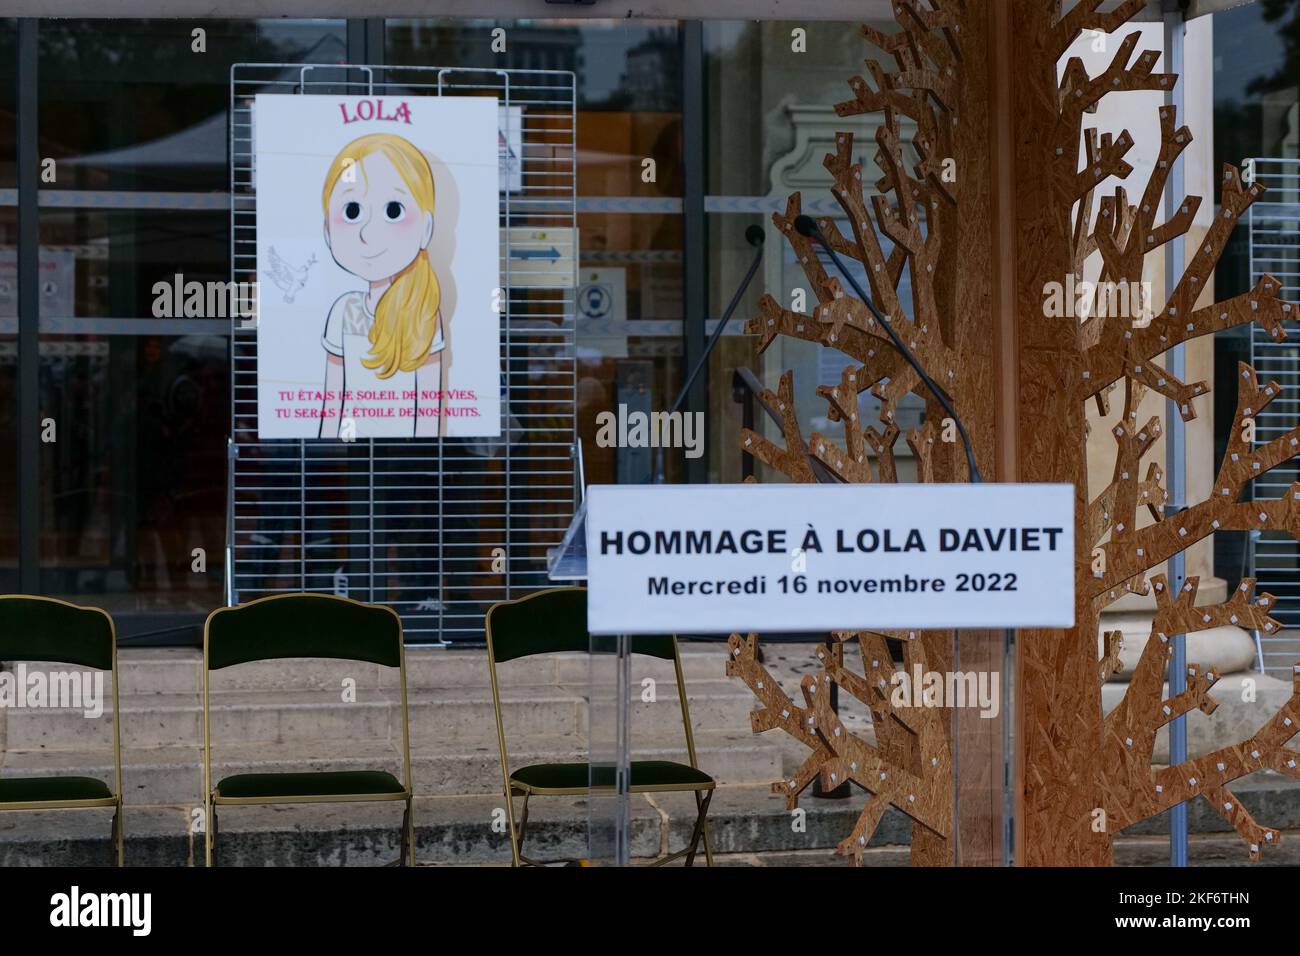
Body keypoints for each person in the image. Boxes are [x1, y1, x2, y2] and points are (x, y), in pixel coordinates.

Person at [317, 133, 446, 438]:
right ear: (327, 229)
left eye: (393, 211)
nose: (368, 233)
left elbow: (430, 408)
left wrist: (424, 456)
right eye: (352, 211)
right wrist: (322, 449)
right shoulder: (343, 311)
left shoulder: (424, 312)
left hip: (407, 459)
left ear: (426, 228)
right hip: (350, 454)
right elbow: (332, 399)